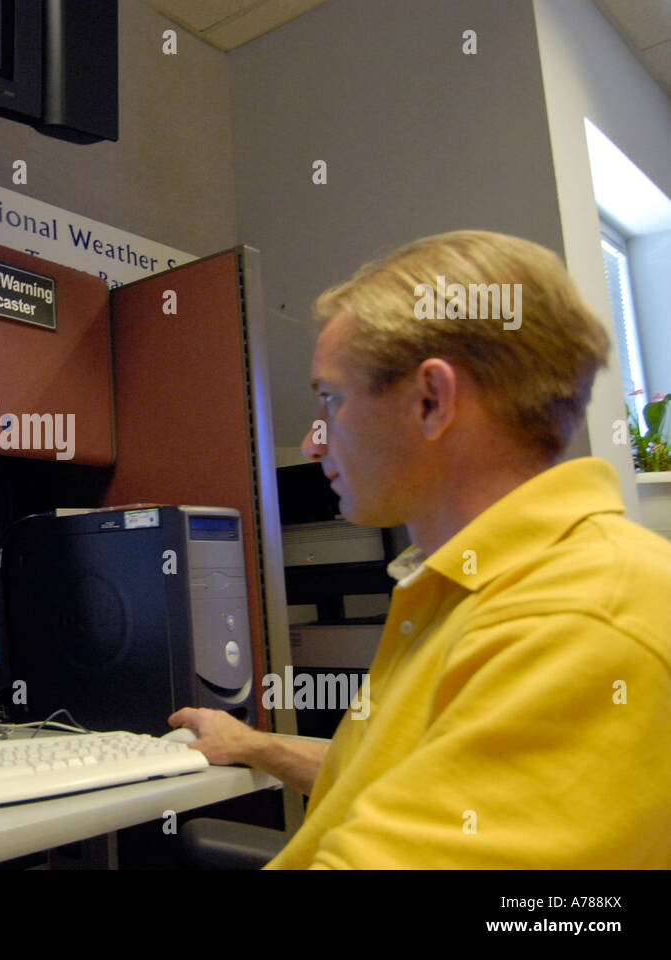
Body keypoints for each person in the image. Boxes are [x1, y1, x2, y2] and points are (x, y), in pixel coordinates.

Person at [169, 230, 671, 868]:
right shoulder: (476, 587)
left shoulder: (581, 620)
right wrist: (257, 747)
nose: (314, 441)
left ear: (432, 401)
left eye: (331, 399)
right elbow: (413, 775)